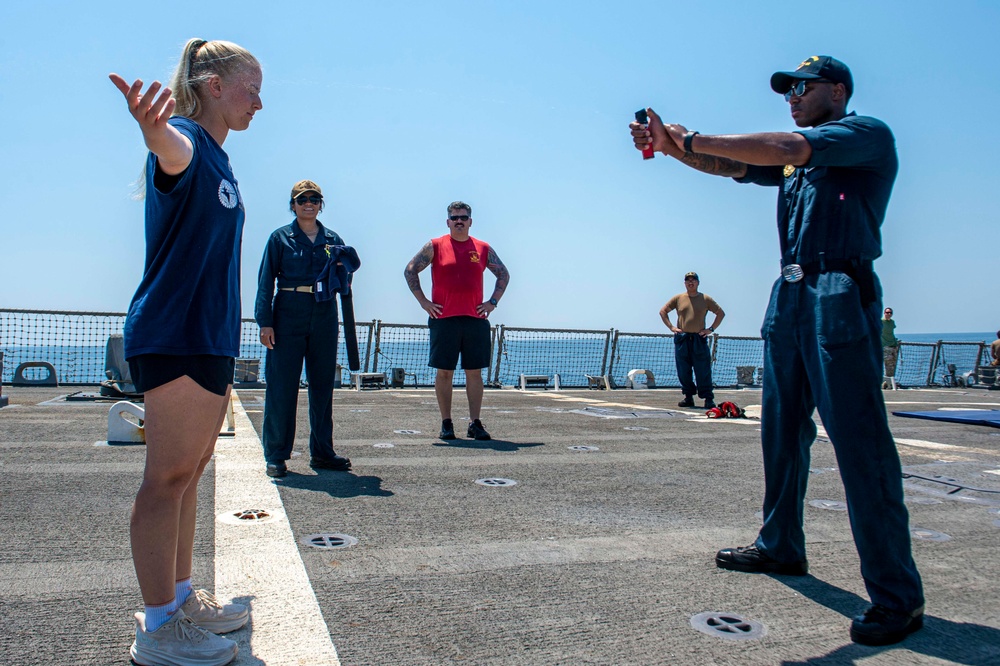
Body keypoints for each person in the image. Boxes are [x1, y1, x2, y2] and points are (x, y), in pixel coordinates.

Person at [630, 55, 924, 646]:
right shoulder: (795, 162)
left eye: (803, 87)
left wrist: (690, 133)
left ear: (837, 92)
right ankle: (781, 544)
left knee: (859, 441)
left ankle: (897, 596)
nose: (791, 95)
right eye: (786, 88)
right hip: (790, 293)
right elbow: (735, 163)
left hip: (840, 289)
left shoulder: (863, 136)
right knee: (781, 429)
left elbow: (787, 146)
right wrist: (671, 147)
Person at [110, 37, 262, 666]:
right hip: (174, 333)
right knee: (165, 478)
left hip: (208, 336)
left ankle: (178, 598)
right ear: (214, 85)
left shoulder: (222, 160)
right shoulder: (185, 140)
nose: (260, 100)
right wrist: (152, 130)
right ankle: (157, 630)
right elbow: (169, 153)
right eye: (251, 86)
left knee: (189, 476)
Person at [255, 180, 357, 478]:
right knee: (282, 386)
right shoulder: (280, 239)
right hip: (288, 310)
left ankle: (323, 452)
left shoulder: (333, 239)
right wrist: (265, 322)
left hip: (324, 312)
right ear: (293, 205)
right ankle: (276, 455)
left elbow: (344, 278)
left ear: (320, 204)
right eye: (302, 200)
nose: (308, 204)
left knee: (323, 386)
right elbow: (265, 282)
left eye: (314, 199)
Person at [403, 201, 510, 440]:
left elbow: (503, 273)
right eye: (454, 217)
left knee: (475, 373)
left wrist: (492, 302)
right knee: (444, 373)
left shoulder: (482, 248)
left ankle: (475, 423)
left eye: (463, 217)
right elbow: (410, 270)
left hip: (475, 319)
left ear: (471, 221)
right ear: (448, 221)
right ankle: (446, 423)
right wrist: (424, 302)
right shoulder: (436, 246)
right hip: (444, 319)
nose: (459, 221)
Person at [659, 271, 725, 409]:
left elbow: (720, 313)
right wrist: (672, 327)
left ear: (698, 283)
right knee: (683, 370)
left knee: (703, 369)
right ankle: (688, 397)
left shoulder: (705, 299)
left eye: (693, 280)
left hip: (698, 339)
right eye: (688, 280)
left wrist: (711, 329)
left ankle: (708, 398)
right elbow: (663, 311)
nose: (691, 282)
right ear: (684, 283)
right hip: (682, 339)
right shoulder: (678, 298)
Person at [881, 307, 901, 380]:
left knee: (893, 364)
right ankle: (887, 382)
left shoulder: (892, 322)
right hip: (885, 346)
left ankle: (889, 382)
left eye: (890, 313)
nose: (889, 314)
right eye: (887, 312)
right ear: (884, 313)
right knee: (888, 364)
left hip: (893, 345)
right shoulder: (881, 322)